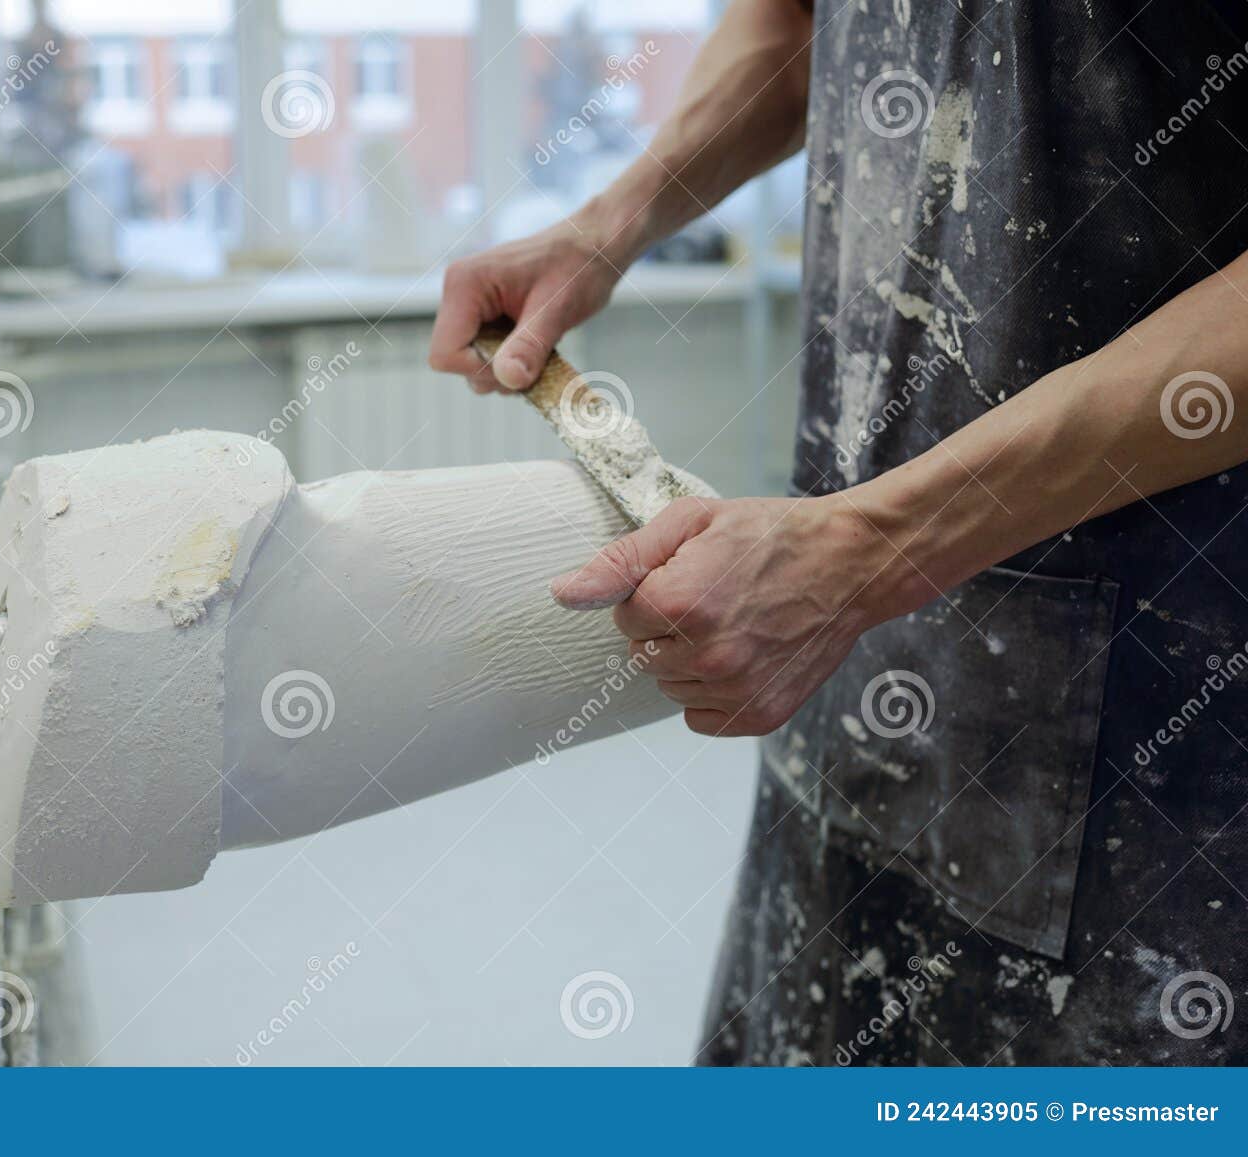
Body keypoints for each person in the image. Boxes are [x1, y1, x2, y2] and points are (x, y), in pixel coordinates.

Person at [430, 0, 1247, 1065]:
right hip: (844, 668)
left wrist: (875, 547)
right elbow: (795, 24)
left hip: (1167, 735)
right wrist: (609, 222)